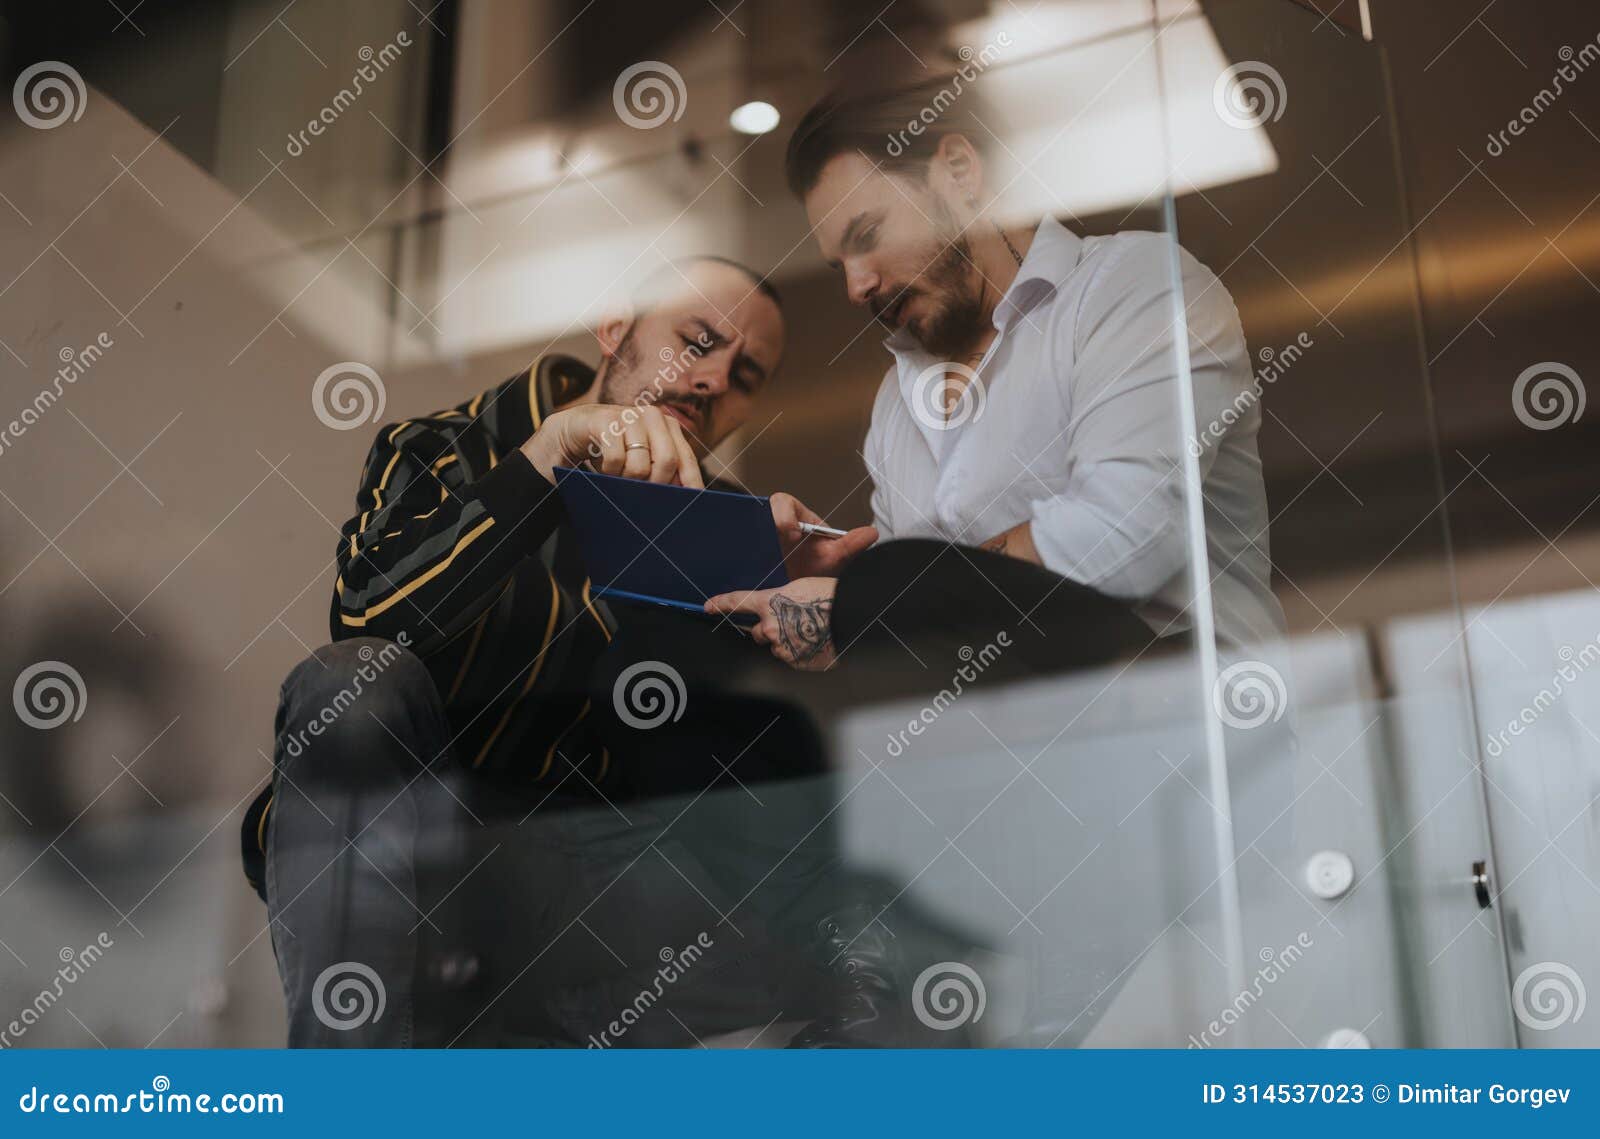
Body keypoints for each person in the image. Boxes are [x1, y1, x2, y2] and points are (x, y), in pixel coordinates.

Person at [241, 255, 883, 1046]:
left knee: (824, 886)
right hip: (417, 851)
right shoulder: (450, 444)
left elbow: (729, 772)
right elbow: (369, 612)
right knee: (353, 681)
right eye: (697, 339)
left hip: (584, 884)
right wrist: (547, 459)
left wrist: (806, 612)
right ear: (616, 329)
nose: (714, 377)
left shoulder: (718, 524)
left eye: (745, 371)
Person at [707, 79, 1287, 667]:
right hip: (998, 745)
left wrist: (872, 599)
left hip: (1189, 730)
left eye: (868, 236)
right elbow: (916, 641)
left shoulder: (1135, 287)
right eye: (840, 265)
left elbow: (1122, 536)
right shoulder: (896, 398)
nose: (856, 287)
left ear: (958, 171)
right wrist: (837, 592)